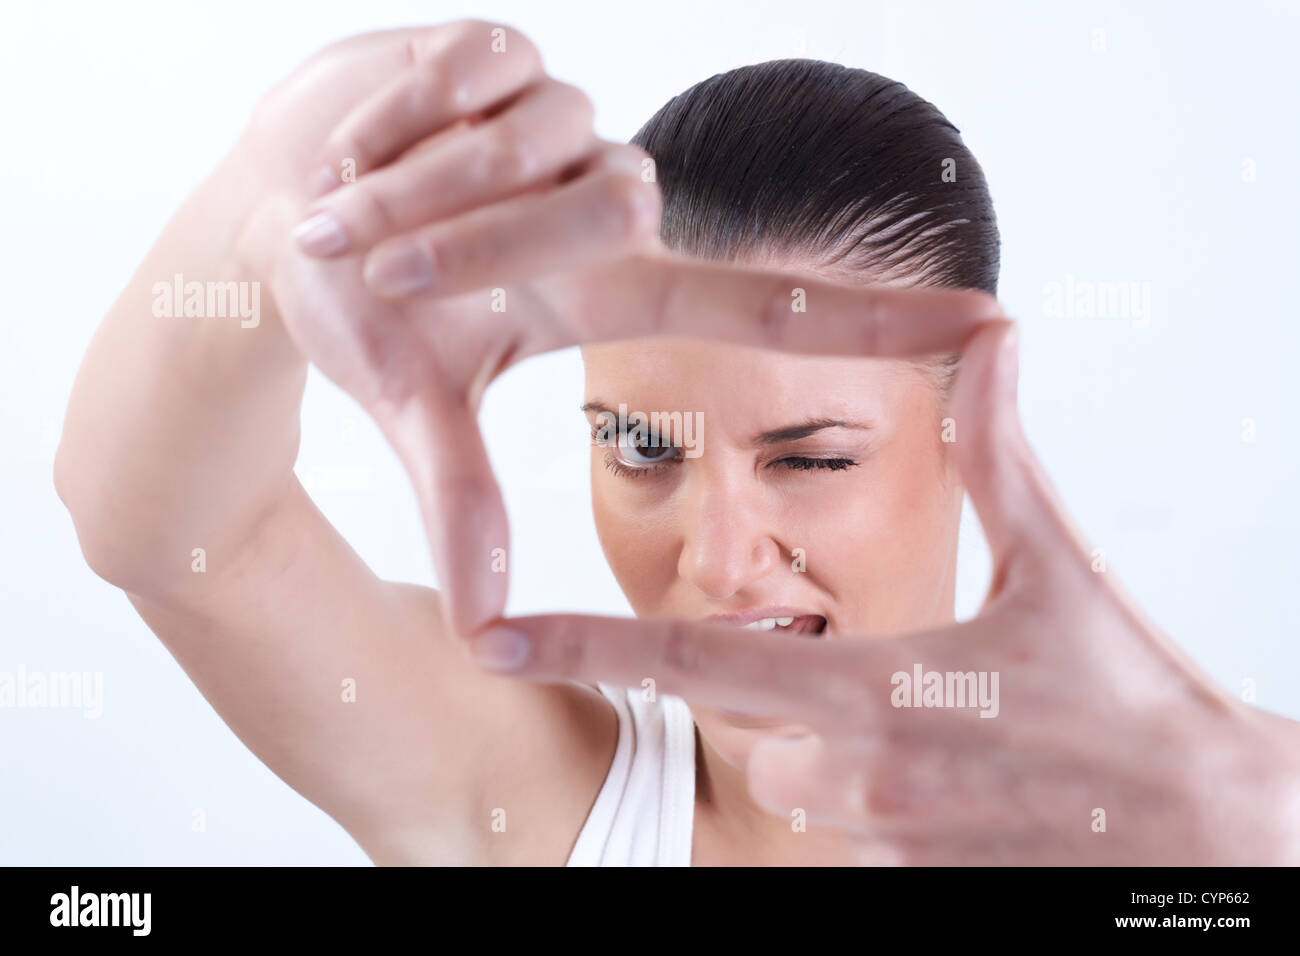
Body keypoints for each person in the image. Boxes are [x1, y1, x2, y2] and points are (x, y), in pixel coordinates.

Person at [54, 20, 1300, 866]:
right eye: (645, 448)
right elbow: (173, 534)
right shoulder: (546, 798)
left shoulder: (1174, 828)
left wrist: (1254, 826)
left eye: (809, 458)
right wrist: (265, 214)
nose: (716, 558)